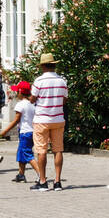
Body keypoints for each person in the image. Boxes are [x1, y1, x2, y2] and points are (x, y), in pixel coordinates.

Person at [29, 53, 68, 192]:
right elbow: (64, 100)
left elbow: (33, 99)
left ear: (43, 66)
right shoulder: (62, 81)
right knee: (58, 150)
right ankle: (57, 182)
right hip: (58, 119)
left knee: (41, 151)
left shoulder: (39, 81)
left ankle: (43, 181)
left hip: (41, 119)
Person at [0, 81, 36, 183]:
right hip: (31, 132)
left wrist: (5, 131)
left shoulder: (20, 105)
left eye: (17, 91)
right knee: (21, 153)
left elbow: (16, 120)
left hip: (25, 133)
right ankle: (21, 174)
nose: (16, 94)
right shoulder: (32, 104)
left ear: (20, 92)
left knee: (27, 154)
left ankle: (41, 174)